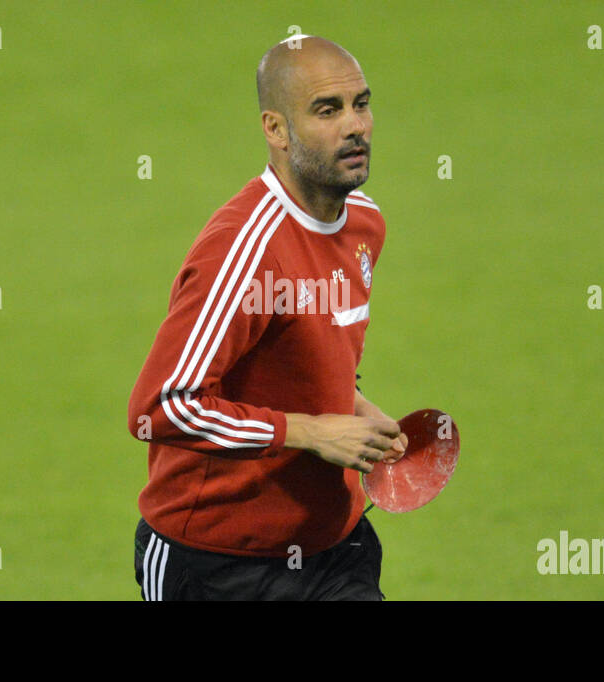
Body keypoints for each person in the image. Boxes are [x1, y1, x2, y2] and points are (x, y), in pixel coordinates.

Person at [127, 35, 406, 601]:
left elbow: (313, 355)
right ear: (275, 130)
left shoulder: (365, 227)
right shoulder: (246, 250)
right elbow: (161, 408)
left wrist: (355, 411)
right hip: (217, 563)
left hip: (334, 549)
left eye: (361, 103)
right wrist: (309, 431)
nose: (355, 126)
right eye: (327, 110)